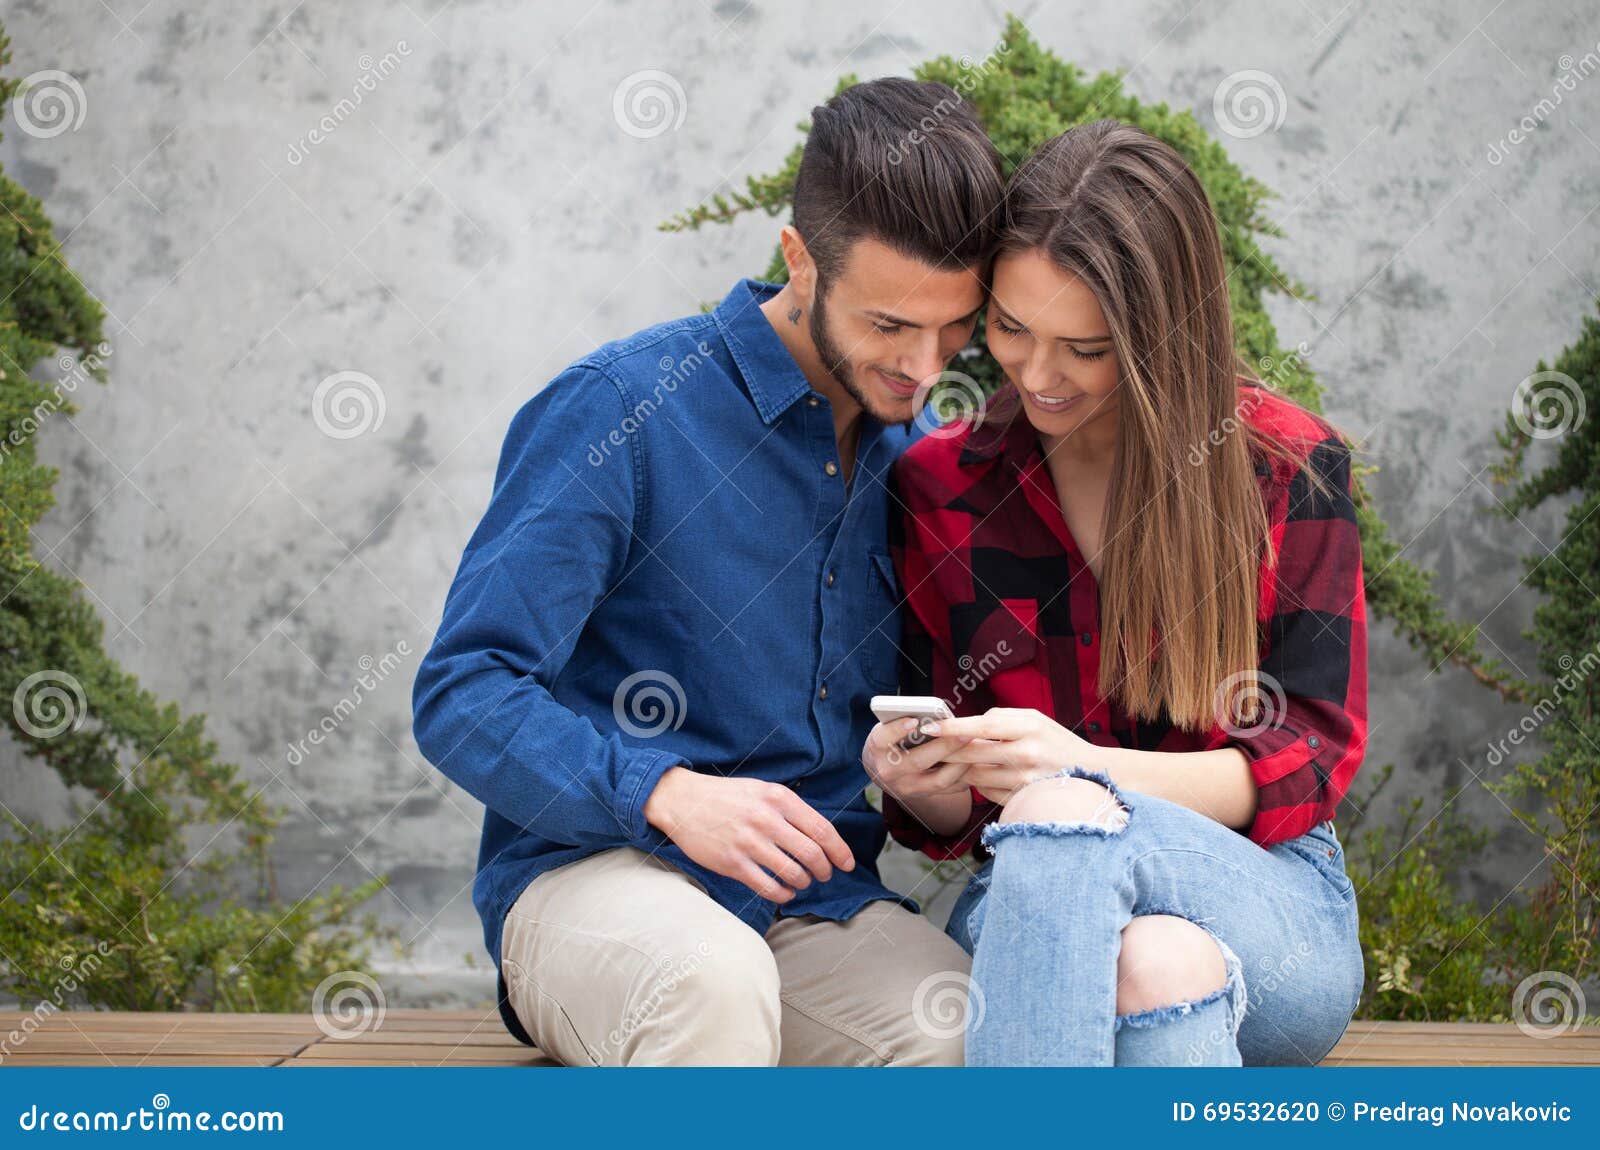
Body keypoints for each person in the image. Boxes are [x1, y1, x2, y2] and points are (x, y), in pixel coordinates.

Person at [412, 77, 1006, 1065]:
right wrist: (666, 791)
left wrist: (928, 770)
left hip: (813, 904)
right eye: (889, 325)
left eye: (956, 328)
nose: (923, 363)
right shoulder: (623, 409)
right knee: (710, 980)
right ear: (798, 260)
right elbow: (462, 691)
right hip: (594, 879)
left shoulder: (921, 465)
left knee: (968, 1023)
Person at [863, 120, 1367, 1066]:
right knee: (1156, 962)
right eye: (1011, 328)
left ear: (1158, 335)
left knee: (1063, 813)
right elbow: (959, 817)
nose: (1038, 375)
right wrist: (924, 784)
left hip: (1268, 902)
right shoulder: (939, 485)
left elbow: (1311, 757)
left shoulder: (1283, 466)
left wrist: (1078, 770)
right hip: (1039, 915)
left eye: (1085, 348)